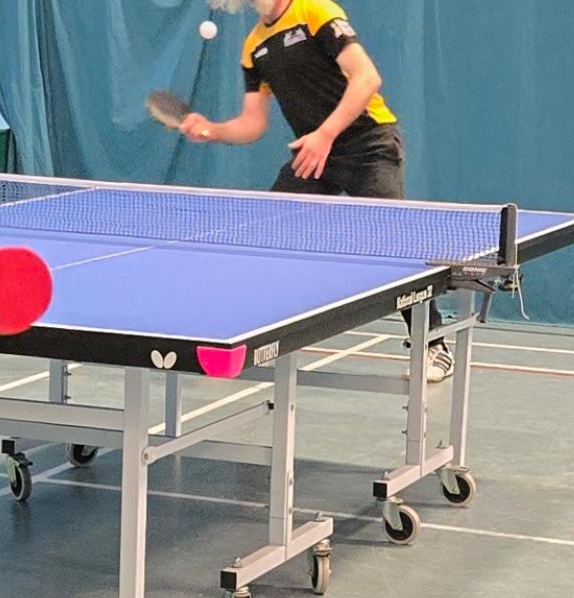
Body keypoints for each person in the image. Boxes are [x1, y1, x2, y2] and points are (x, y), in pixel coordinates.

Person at [180, 0, 454, 382]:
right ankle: (251, 335)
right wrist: (212, 130)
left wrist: (326, 134)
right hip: (314, 150)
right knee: (267, 233)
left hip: (367, 141)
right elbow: (252, 123)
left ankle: (433, 343)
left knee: (395, 245)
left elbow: (366, 78)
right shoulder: (254, 46)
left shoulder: (315, 10)